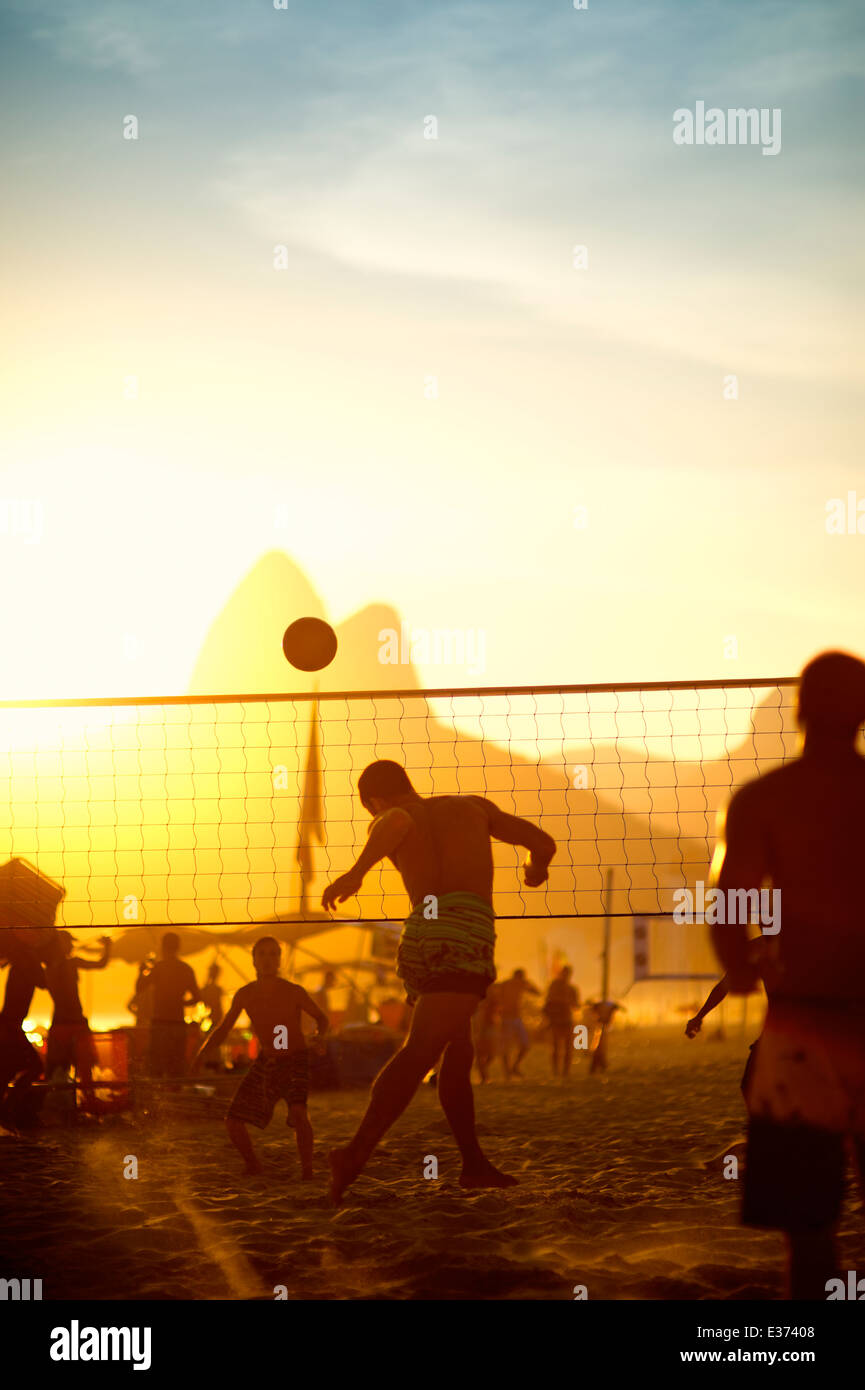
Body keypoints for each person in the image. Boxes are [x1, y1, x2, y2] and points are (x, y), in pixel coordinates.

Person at [321, 758, 556, 1201]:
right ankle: (353, 1153)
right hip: (462, 932)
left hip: (422, 935)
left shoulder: (394, 817)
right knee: (421, 1050)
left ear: (374, 798)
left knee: (457, 1050)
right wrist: (535, 868)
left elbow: (391, 823)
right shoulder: (472, 807)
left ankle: (473, 1163)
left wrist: (360, 871)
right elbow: (542, 842)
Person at [710, 649, 865, 1300]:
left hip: (803, 1018)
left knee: (806, 1226)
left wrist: (740, 968)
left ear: (797, 711)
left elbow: (728, 903)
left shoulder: (762, 799)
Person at [192, 936, 329, 1178]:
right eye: (262, 954)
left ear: (279, 960)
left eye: (273, 954)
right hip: (267, 1061)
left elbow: (322, 1018)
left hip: (296, 1059)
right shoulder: (245, 994)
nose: (268, 959)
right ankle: (253, 1164)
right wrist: (201, 1055)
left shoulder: (293, 991)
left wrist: (319, 1036)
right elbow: (223, 1029)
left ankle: (308, 1170)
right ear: (254, 961)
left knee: (298, 1113)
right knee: (233, 1121)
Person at [43, 930, 112, 1112]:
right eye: (69, 943)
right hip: (73, 1024)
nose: (73, 946)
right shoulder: (70, 964)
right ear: (60, 945)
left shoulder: (49, 968)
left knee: (58, 1069)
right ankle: (84, 1105)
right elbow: (101, 963)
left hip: (61, 1023)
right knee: (82, 1068)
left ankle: (58, 1107)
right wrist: (108, 946)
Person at [0, 928, 49, 1129]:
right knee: (34, 1067)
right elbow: (44, 982)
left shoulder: (21, 963)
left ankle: (7, 1111)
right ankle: (8, 1109)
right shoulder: (25, 963)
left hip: (9, 1025)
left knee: (6, 1071)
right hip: (10, 1026)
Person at [140, 932, 201, 1077]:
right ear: (178, 947)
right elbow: (197, 997)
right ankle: (175, 1095)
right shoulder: (186, 969)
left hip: (159, 1023)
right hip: (178, 1023)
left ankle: (158, 1097)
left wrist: (142, 971)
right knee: (176, 1065)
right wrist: (180, 1003)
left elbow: (139, 988)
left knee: (156, 1066)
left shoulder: (158, 968)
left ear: (162, 947)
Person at [498, 969, 541, 1078]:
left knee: (525, 1045)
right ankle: (507, 1072)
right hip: (505, 1018)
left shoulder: (522, 984)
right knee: (506, 1047)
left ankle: (514, 1067)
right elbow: (496, 997)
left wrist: (528, 984)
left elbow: (537, 993)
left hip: (516, 1018)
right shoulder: (505, 984)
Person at [543, 965, 580, 1076]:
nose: (566, 976)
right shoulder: (554, 986)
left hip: (567, 1020)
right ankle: (556, 1071)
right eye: (564, 973)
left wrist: (570, 1002)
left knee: (568, 1048)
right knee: (556, 1047)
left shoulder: (572, 989)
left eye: (568, 974)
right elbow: (549, 1000)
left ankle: (565, 1072)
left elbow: (576, 1005)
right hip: (556, 1020)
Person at [472, 980, 501, 1083]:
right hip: (480, 1027)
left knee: (492, 1053)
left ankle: (481, 1070)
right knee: (480, 1053)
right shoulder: (477, 996)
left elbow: (497, 1011)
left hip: (490, 1027)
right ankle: (484, 1077)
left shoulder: (493, 997)